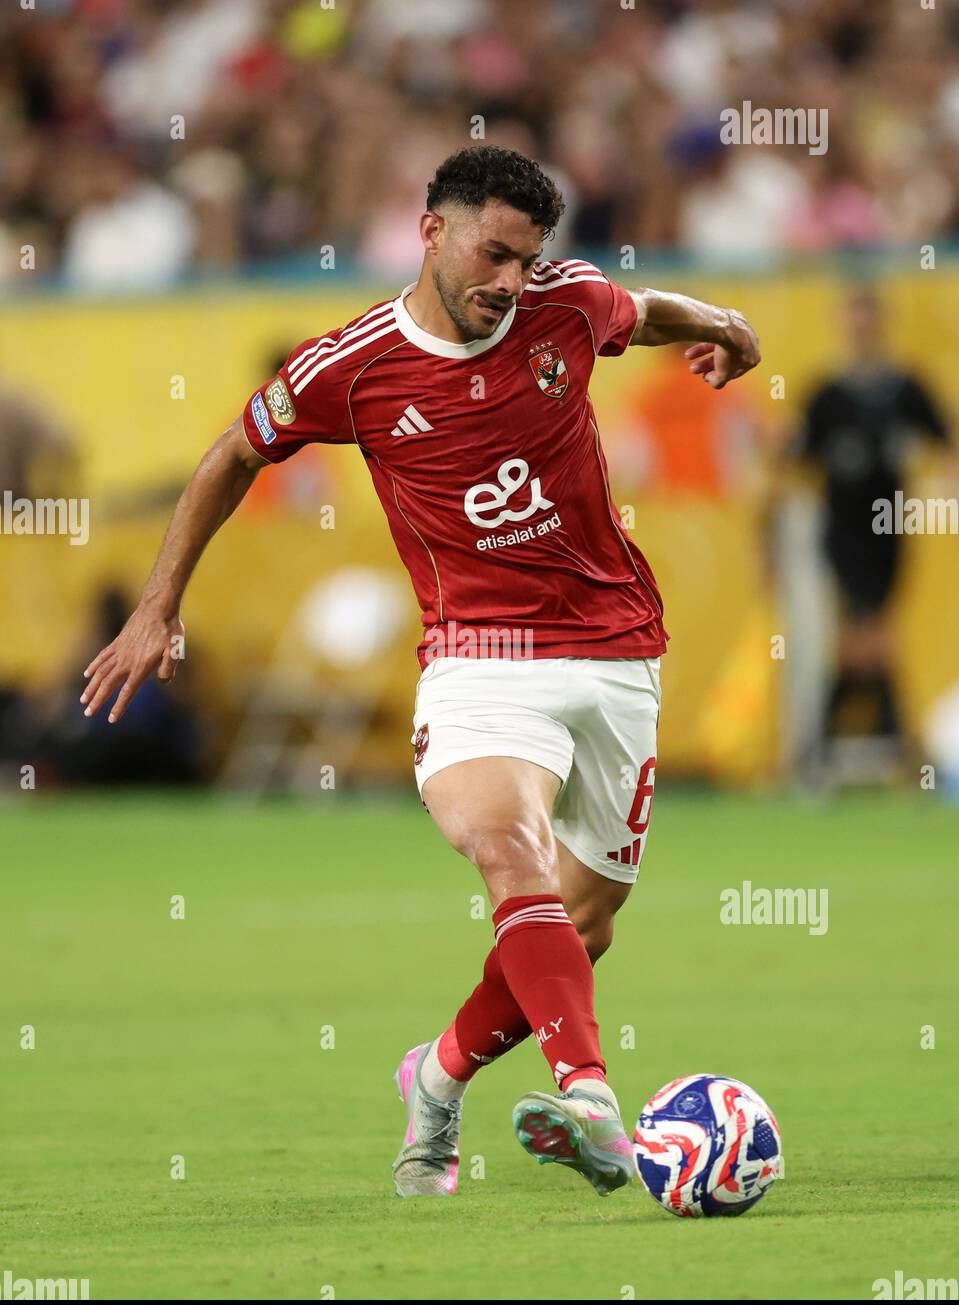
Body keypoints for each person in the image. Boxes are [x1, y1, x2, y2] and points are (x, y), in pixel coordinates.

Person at [80, 146, 760, 1199]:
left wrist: (721, 324)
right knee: (506, 846)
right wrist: (158, 606)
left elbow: (638, 307)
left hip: (617, 648)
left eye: (525, 261)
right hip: (477, 661)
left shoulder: (563, 306)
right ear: (431, 231)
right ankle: (588, 1096)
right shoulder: (345, 369)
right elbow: (229, 456)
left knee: (584, 924)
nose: (509, 281)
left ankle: (434, 1080)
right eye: (493, 253)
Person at [793, 287, 953, 766]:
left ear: (881, 323)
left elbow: (945, 442)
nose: (860, 328)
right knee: (866, 633)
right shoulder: (826, 394)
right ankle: (893, 741)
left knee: (869, 634)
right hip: (842, 532)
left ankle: (827, 748)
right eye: (853, 319)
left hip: (889, 528)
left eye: (868, 319)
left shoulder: (906, 388)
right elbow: (798, 460)